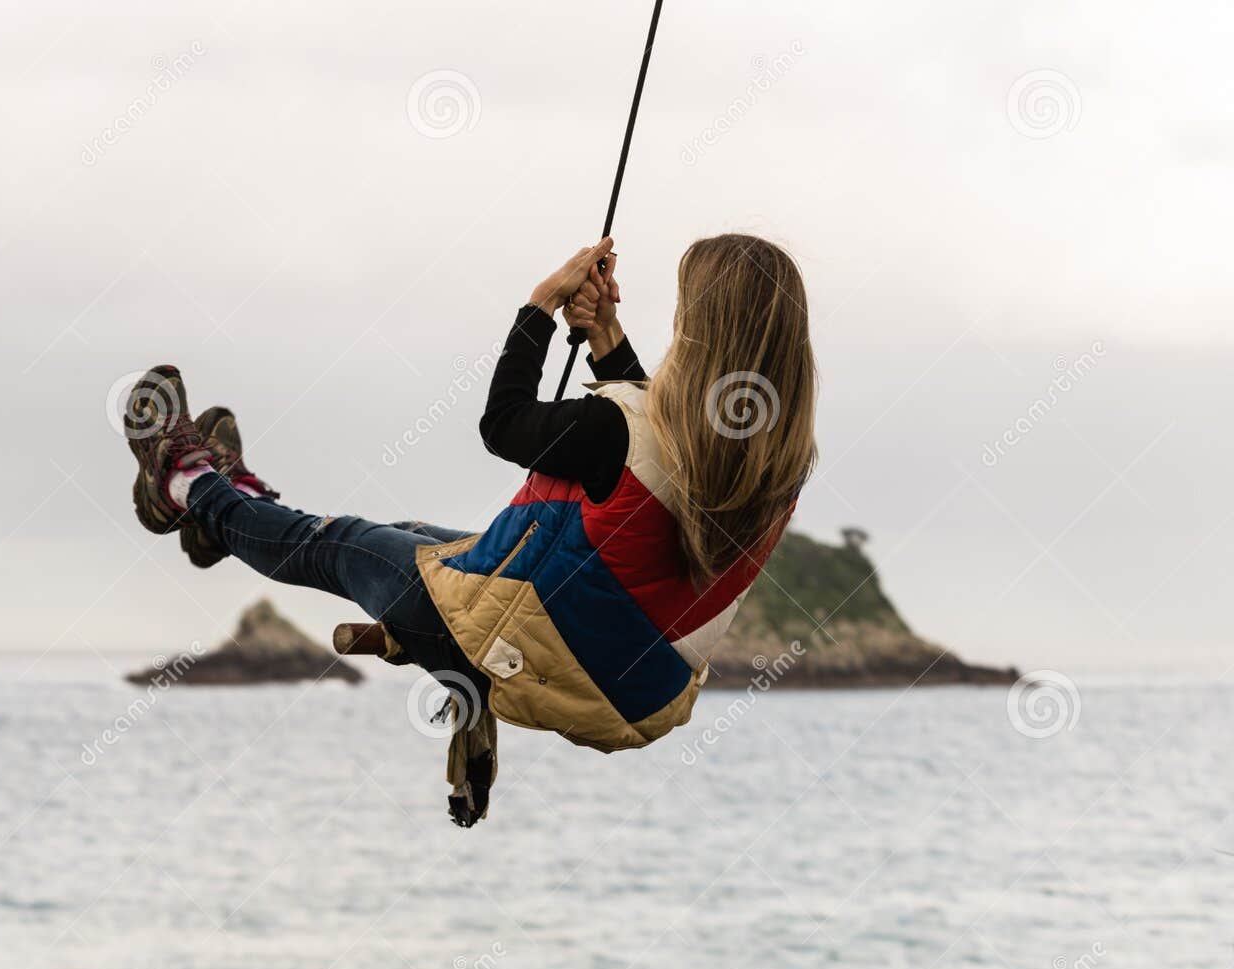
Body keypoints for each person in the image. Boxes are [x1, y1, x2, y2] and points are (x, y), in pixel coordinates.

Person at [121, 233, 817, 808]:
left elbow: (504, 423)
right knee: (416, 536)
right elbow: (661, 456)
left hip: (524, 649)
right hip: (637, 698)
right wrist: (606, 336)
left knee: (329, 544)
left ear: (698, 332)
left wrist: (540, 306)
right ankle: (237, 508)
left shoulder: (612, 430)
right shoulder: (778, 466)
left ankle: (187, 483)